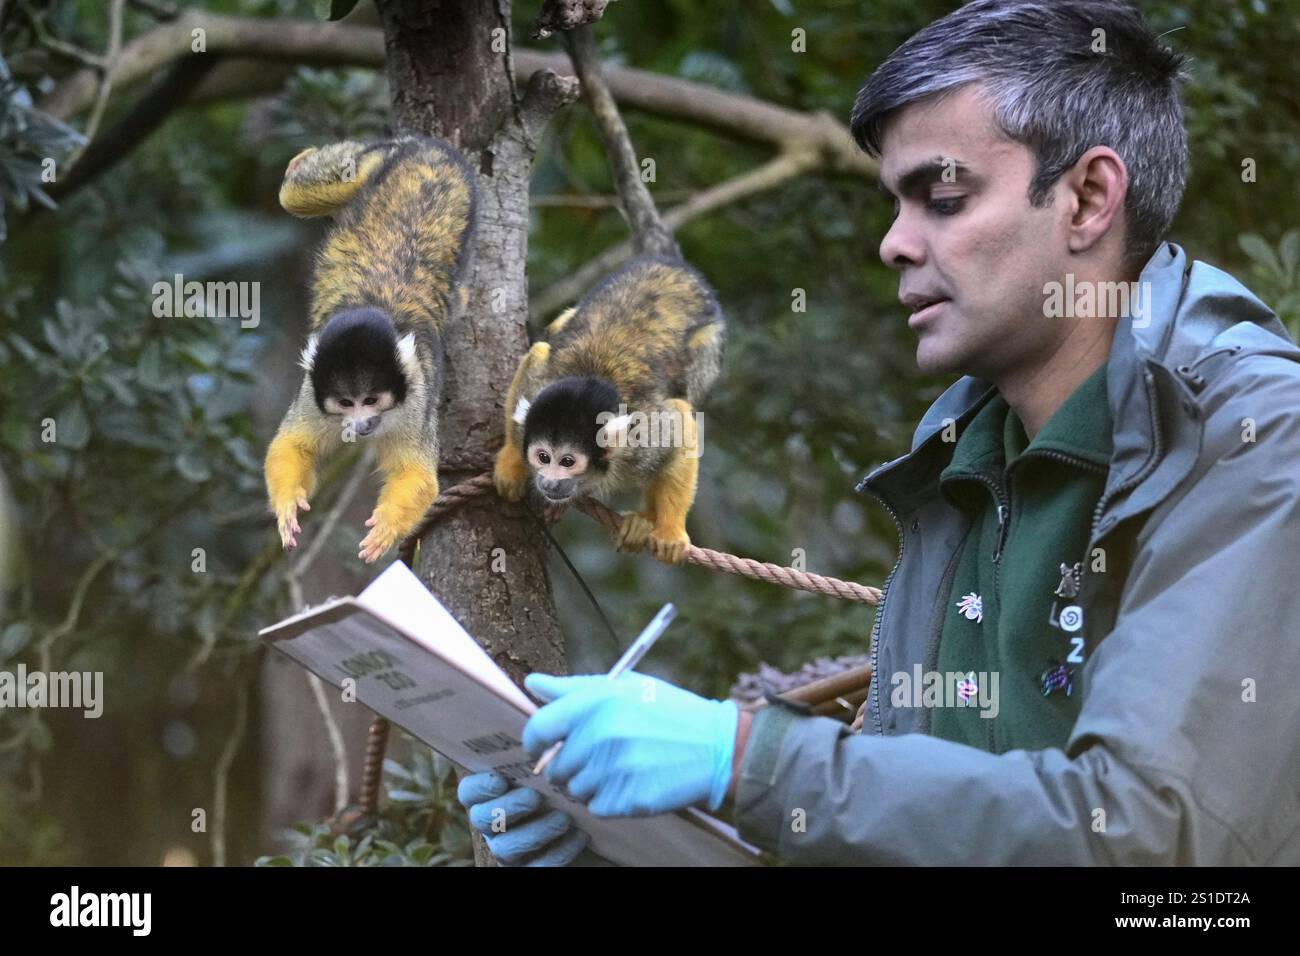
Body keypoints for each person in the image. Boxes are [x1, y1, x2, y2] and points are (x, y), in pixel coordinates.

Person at [458, 0, 1300, 865]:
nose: (895, 244)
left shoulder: (1253, 440)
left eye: (942, 197)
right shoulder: (960, 466)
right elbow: (936, 833)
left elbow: (1157, 852)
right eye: (895, 206)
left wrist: (747, 760)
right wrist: (626, 834)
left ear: (1087, 198)